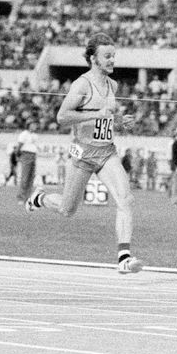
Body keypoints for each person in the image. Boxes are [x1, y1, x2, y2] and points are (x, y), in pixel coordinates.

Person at [25, 33, 144, 274]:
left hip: (106, 152)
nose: (112, 60)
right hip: (83, 155)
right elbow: (62, 117)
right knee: (68, 210)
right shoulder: (81, 85)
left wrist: (120, 122)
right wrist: (94, 114)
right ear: (93, 59)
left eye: (114, 56)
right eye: (107, 56)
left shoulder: (113, 85)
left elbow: (106, 119)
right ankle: (40, 198)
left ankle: (124, 257)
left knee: (126, 199)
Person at [15, 121, 38, 201]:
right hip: (26, 154)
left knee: (31, 177)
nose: (35, 126)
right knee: (25, 177)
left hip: (33, 155)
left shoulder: (35, 135)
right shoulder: (24, 134)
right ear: (29, 125)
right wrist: (18, 155)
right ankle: (21, 197)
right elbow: (19, 146)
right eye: (33, 125)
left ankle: (27, 197)